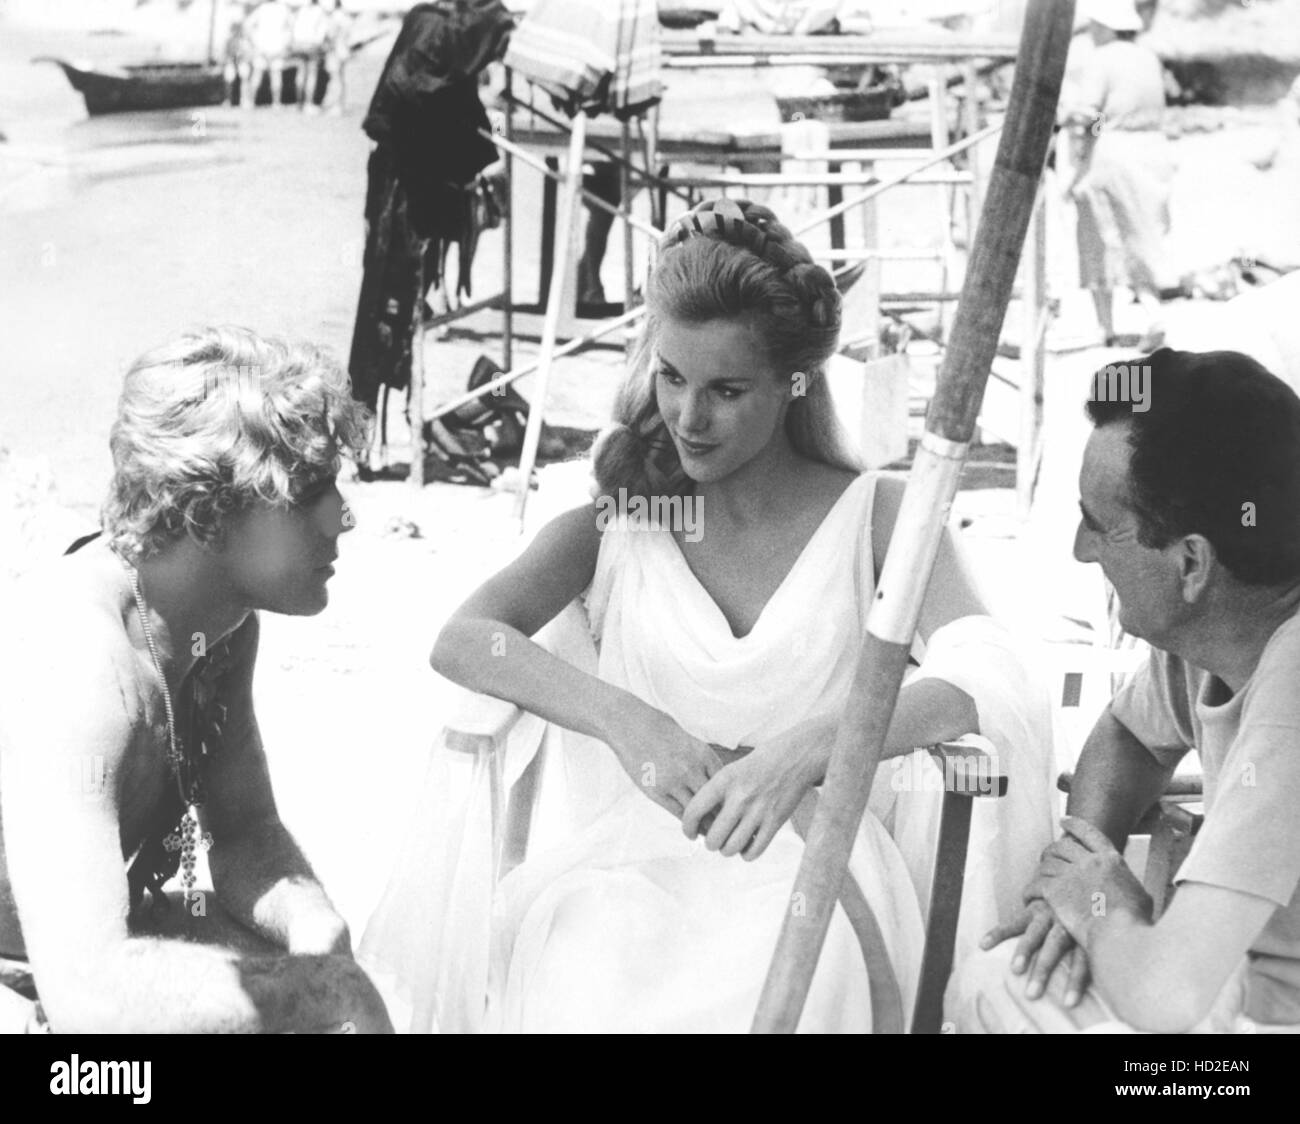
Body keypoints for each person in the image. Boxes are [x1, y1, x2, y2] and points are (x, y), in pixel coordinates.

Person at [360, 198, 1058, 1032]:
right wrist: (627, 721)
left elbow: (988, 672)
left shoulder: (880, 520)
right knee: (578, 967)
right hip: (629, 866)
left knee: (783, 974)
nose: (690, 418)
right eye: (672, 378)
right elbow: (468, 640)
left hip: (819, 869)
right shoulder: (624, 523)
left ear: (794, 385)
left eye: (726, 390)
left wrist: (809, 750)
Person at [0, 327, 393, 1033]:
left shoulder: (219, 624)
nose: (344, 517)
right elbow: (90, 997)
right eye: (310, 492)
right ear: (209, 515)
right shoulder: (81, 668)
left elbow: (239, 829)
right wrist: (325, 993)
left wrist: (313, 931)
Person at [958, 348, 1300, 1033]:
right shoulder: (1220, 630)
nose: (1082, 551)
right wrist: (1087, 864)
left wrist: (1101, 903)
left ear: (1192, 562)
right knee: (1000, 979)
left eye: (1099, 524)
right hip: (1237, 988)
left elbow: (1166, 1002)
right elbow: (1129, 736)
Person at [1060, 0, 1173, 348]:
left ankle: (1110, 324)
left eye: (1095, 25)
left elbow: (1092, 115)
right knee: (1141, 234)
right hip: (1153, 150)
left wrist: (1076, 137)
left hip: (1112, 152)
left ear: (1107, 27)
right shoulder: (1148, 57)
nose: (1091, 31)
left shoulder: (1101, 59)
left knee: (1100, 236)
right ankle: (1149, 311)